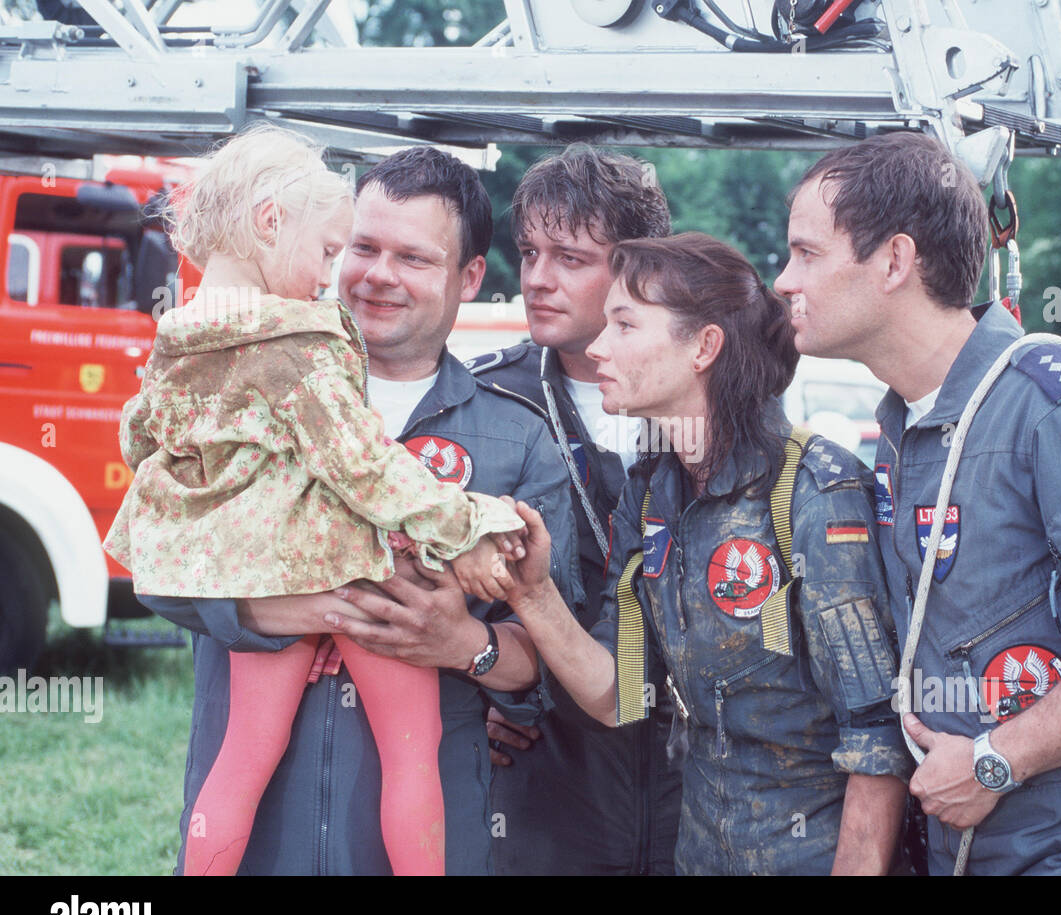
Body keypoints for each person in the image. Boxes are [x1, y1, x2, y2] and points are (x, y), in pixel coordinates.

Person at [773, 132, 1061, 874]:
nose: (784, 281)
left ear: (894, 261)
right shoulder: (904, 427)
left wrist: (995, 760)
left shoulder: (1055, 406)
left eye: (806, 253)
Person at [139, 142, 578, 876]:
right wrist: (315, 608)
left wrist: (461, 640)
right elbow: (157, 568)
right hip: (268, 851)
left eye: (412, 257)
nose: (375, 274)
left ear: (470, 277)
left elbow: (555, 662)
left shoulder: (518, 437)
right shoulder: (248, 373)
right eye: (358, 247)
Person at [491, 232, 912, 875]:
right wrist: (533, 594)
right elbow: (622, 694)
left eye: (624, 325)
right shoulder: (653, 493)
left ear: (705, 347)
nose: (598, 348)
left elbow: (877, 737)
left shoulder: (817, 492)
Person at [465, 144, 682, 875]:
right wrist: (471, 690)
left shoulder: (705, 403)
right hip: (543, 790)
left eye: (568, 257)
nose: (535, 278)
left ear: (634, 268)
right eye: (528, 251)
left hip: (693, 787)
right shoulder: (484, 404)